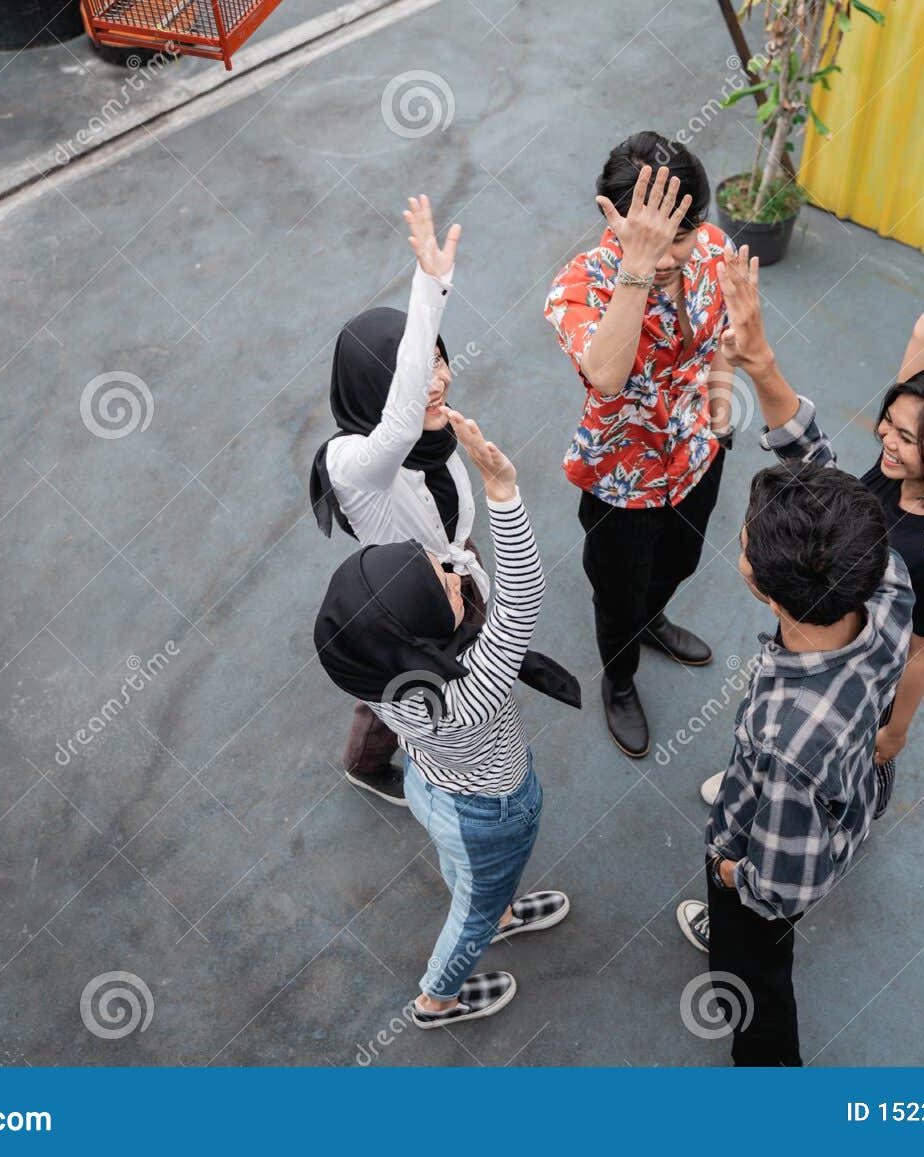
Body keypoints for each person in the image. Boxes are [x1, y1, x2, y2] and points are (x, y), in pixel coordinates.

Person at [699, 177, 924, 816]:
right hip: (815, 618)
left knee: (818, 751)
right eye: (889, 423)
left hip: (852, 667)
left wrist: (895, 732)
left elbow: (918, 655)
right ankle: (754, 769)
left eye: (905, 439)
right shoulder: (894, 471)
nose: (885, 441)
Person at [315, 406, 579, 1027]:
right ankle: (438, 996)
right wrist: (503, 489)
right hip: (491, 809)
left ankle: (496, 904)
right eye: (445, 582)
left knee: (465, 870)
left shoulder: (379, 669)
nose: (455, 567)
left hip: (431, 786)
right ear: (423, 631)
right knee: (472, 913)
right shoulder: (474, 687)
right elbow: (522, 596)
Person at [673, 440, 914, 1065]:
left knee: (753, 977)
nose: (743, 543)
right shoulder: (888, 584)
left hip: (758, 866)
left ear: (769, 593)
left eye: (745, 543)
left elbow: (781, 886)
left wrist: (729, 875)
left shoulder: (787, 737)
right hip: (850, 792)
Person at [544, 132, 736, 759]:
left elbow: (725, 335)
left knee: (681, 562)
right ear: (613, 219)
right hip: (621, 479)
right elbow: (606, 375)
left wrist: (721, 410)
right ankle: (620, 677)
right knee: (617, 593)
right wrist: (638, 267)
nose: (670, 257)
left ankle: (652, 620)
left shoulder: (712, 249)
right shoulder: (580, 285)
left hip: (697, 453)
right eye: (651, 239)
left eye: (681, 238)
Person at [308, 195, 481, 806]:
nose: (437, 380)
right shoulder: (354, 463)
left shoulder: (436, 432)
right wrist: (430, 288)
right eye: (415, 370)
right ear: (376, 390)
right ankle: (367, 764)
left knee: (453, 671)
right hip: (405, 601)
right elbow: (400, 424)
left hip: (450, 563)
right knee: (396, 692)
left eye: (439, 359)